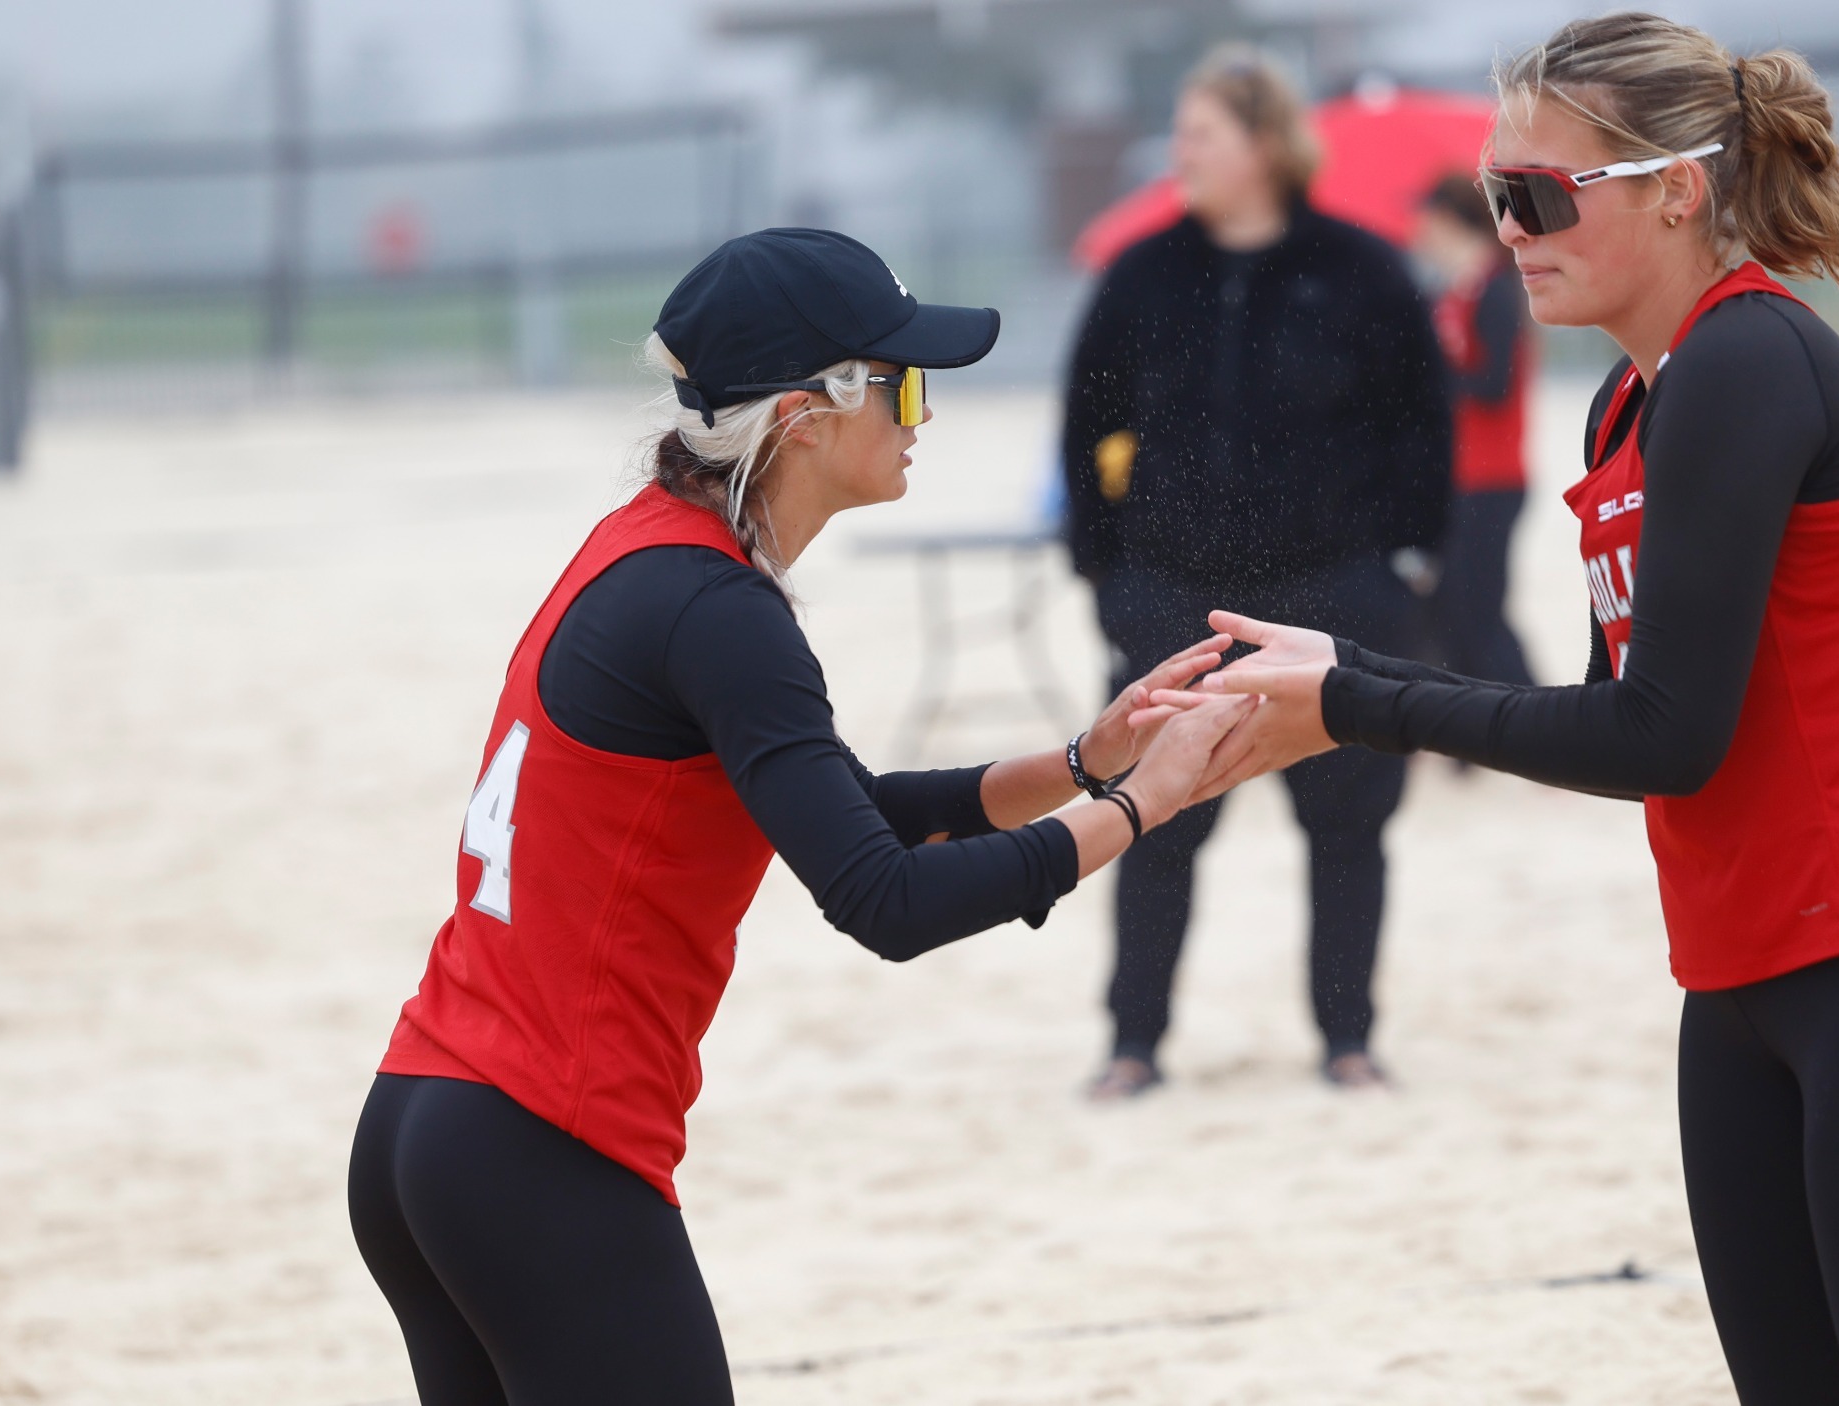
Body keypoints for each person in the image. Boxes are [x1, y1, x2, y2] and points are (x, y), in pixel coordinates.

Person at [1165, 15, 1839, 1404]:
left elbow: (1667, 736)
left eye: (1537, 194)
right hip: (1739, 979)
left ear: (1677, 189)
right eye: (1493, 194)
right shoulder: (1629, 405)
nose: (1506, 229)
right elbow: (1610, 722)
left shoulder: (1751, 358)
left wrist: (1356, 701)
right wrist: (1355, 669)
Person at [347, 227, 1255, 1406]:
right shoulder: (718, 608)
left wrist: (1086, 760)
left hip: (428, 1119)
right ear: (803, 414)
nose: (924, 414)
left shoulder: (649, 549)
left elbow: (846, 812)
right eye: (902, 385)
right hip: (540, 1144)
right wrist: (1144, 804)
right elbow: (885, 901)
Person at [1062, 44, 1451, 1097]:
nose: (1179, 153)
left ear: (1267, 143)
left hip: (1335, 594)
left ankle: (1348, 1040)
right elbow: (1087, 428)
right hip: (1175, 596)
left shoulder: (1363, 269)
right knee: (1151, 826)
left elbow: (1423, 427)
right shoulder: (1141, 273)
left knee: (1348, 830)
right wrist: (1107, 575)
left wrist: (1403, 569)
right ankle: (1133, 1044)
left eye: (1201, 134)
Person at [1415, 173, 1537, 688]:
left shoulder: (1495, 290)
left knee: (1478, 613)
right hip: (1458, 476)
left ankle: (1535, 708)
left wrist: (1431, 375)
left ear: (1448, 221)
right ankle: (1469, 718)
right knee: (1446, 612)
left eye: (1426, 220)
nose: (1418, 232)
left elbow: (1493, 385)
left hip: (1492, 478)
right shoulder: (1453, 292)